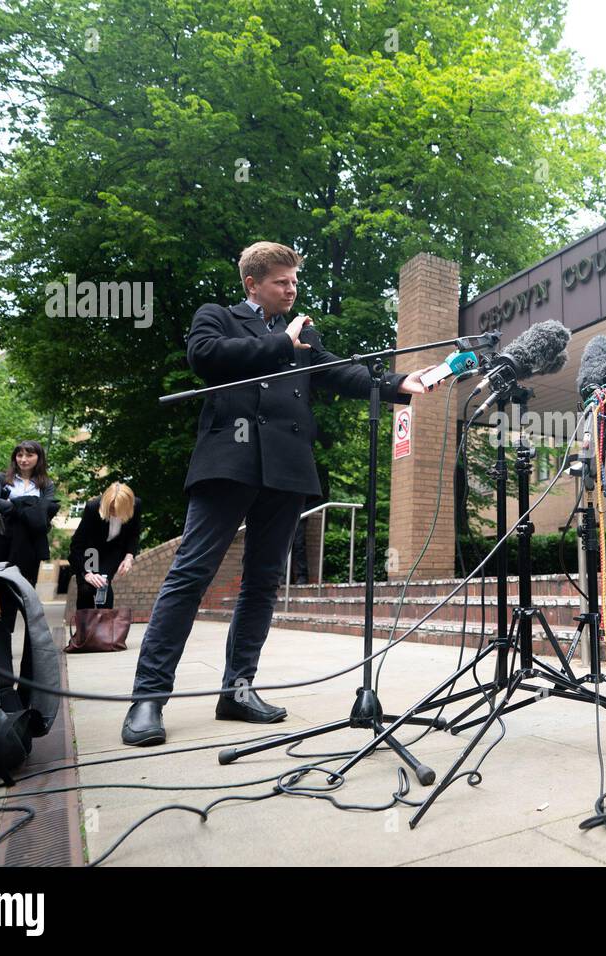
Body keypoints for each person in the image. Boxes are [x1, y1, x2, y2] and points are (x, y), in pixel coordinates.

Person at [121, 241, 441, 746]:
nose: (292, 289)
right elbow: (206, 358)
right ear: (253, 284)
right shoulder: (218, 317)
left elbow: (338, 371)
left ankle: (238, 689)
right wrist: (280, 345)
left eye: (295, 281)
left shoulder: (302, 332)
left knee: (263, 581)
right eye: (281, 282)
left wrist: (403, 382)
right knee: (191, 573)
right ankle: (148, 697)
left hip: (288, 468)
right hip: (230, 462)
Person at [0, 440, 61, 587]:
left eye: (29, 455)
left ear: (39, 458)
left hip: (30, 542)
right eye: (20, 455)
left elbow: (46, 510)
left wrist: (15, 504)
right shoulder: (0, 478)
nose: (23, 460)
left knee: (24, 586)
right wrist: (27, 505)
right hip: (2, 537)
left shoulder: (47, 484)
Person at [69, 481, 141, 610]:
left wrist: (129, 556)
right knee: (86, 588)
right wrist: (87, 573)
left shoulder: (136, 505)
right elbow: (77, 544)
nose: (114, 513)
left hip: (113, 550)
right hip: (91, 551)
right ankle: (85, 627)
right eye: (111, 508)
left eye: (118, 510)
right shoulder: (93, 507)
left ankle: (105, 624)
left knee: (103, 585)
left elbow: (134, 534)